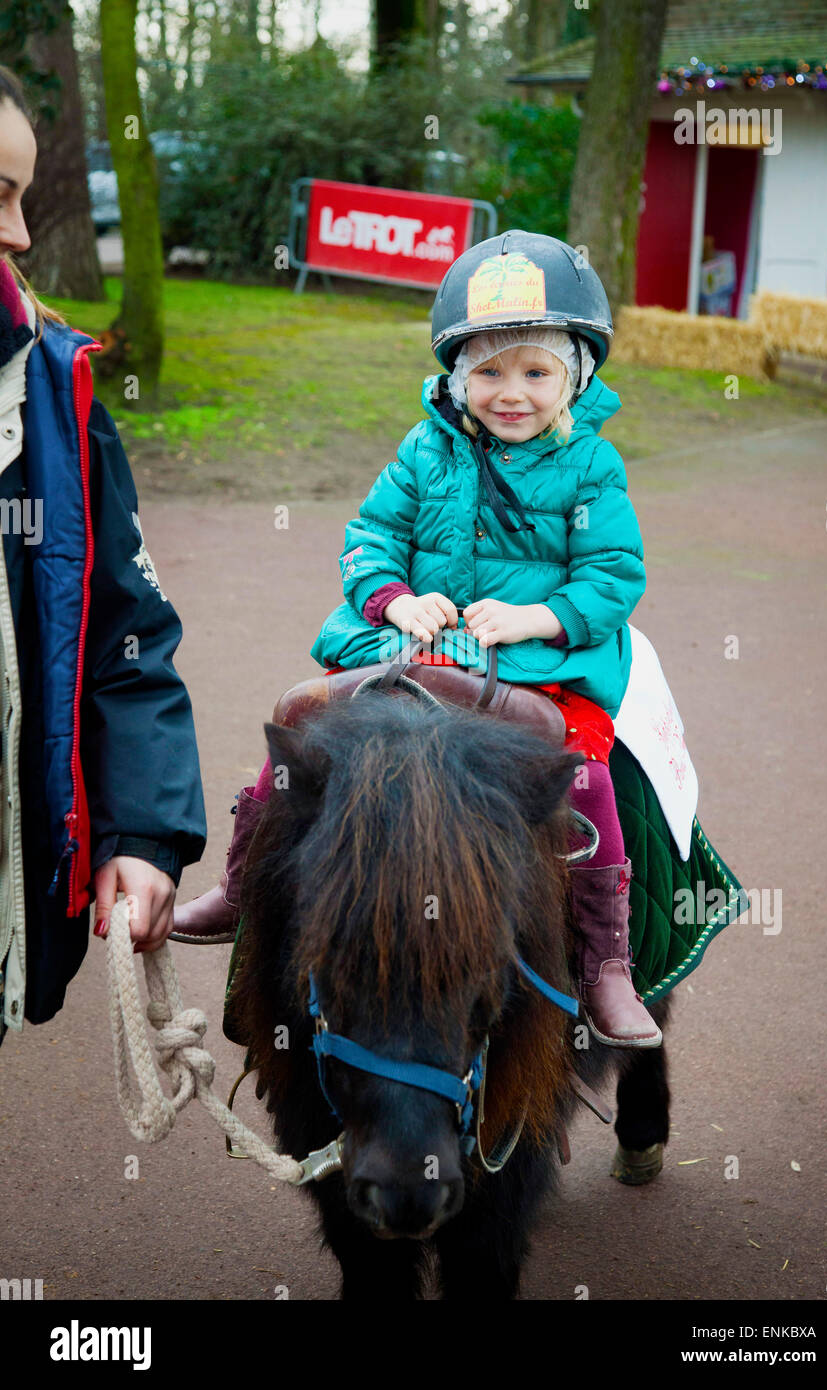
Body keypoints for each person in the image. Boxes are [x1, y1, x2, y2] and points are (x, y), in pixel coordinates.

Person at [175, 229, 662, 1048]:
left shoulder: (591, 468)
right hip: (417, 654)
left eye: (536, 372)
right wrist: (396, 601)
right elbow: (369, 537)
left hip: (538, 664)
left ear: (574, 376)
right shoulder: (424, 450)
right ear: (457, 375)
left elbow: (614, 575)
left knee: (582, 766)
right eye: (488, 371)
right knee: (298, 717)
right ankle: (242, 887)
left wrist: (537, 618)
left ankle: (603, 961)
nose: (512, 393)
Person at [0, 67, 206, 1047]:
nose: (19, 234)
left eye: (23, 196)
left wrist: (139, 830)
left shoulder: (56, 392)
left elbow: (127, 631)